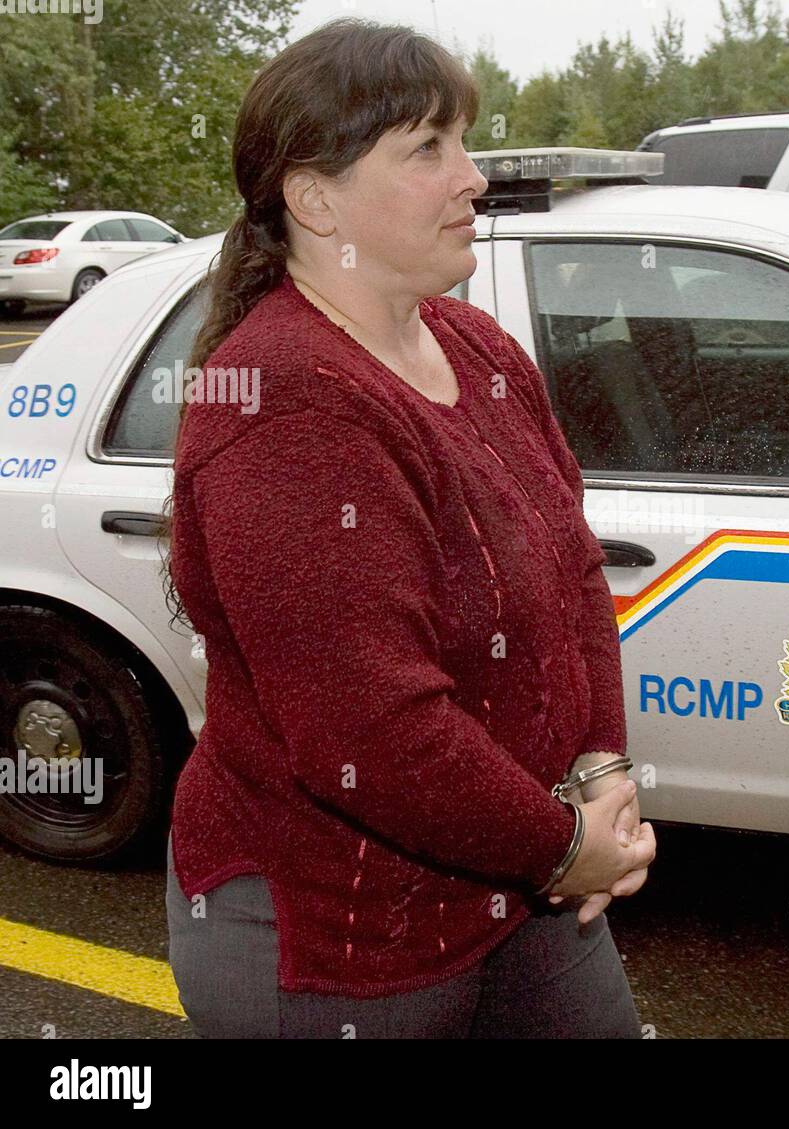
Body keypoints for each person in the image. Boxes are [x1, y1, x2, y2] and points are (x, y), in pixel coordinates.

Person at [162, 16, 656, 1039]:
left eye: (463, 141)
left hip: (521, 882)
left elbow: (572, 578)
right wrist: (567, 848)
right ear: (312, 196)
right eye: (428, 149)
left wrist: (600, 774)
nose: (472, 177)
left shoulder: (474, 344)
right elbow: (369, 729)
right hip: (341, 944)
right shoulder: (286, 404)